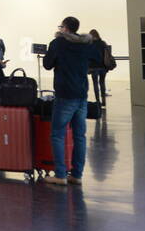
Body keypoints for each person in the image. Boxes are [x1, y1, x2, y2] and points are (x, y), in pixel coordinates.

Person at [42, 16, 102, 186]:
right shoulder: (85, 44)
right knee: (80, 136)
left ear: (66, 28)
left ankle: (60, 175)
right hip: (82, 95)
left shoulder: (58, 43)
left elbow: (47, 64)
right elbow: (97, 58)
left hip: (65, 95)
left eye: (61, 26)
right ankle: (77, 175)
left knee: (57, 134)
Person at [88, 28, 112, 108]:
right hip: (103, 67)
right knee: (102, 83)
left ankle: (98, 102)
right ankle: (104, 101)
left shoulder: (89, 44)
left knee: (95, 84)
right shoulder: (102, 43)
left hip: (93, 67)